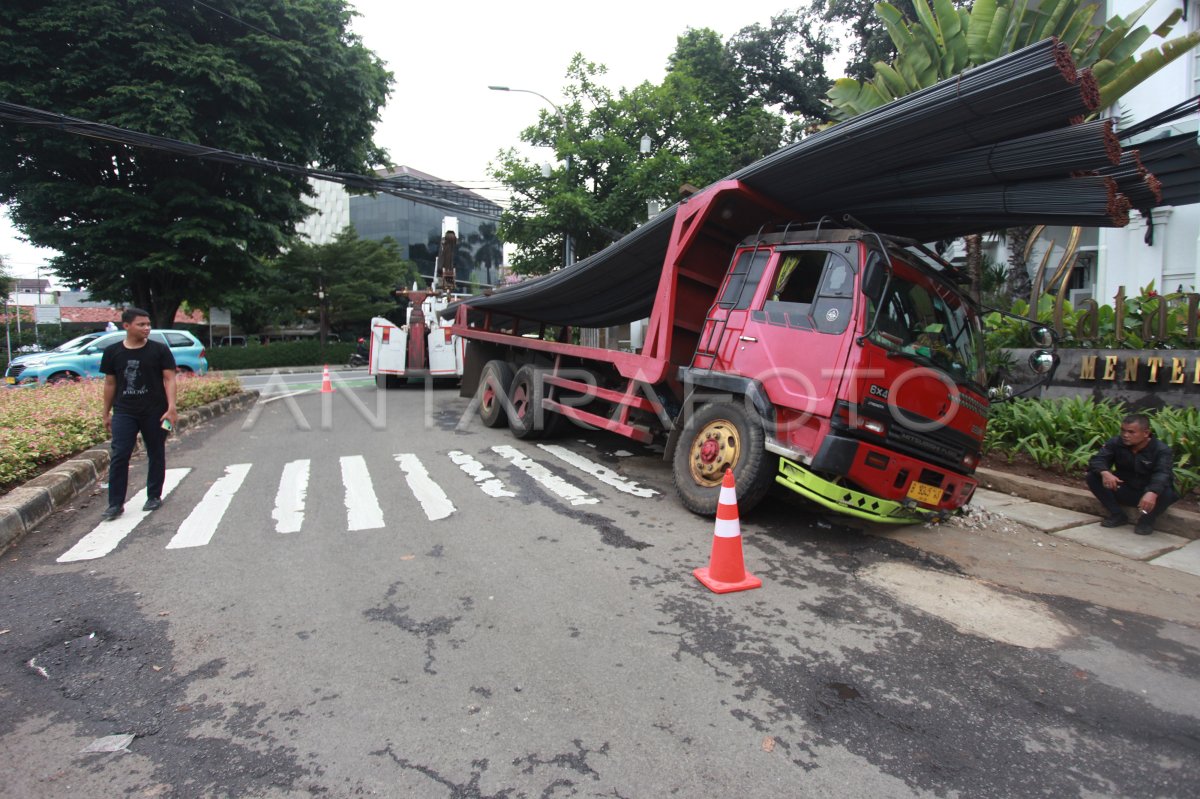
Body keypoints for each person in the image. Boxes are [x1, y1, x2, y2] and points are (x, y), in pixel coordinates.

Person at [99, 308, 178, 520]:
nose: (147, 328)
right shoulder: (113, 352)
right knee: (120, 454)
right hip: (124, 411)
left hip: (156, 411)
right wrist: (106, 413)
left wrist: (171, 408)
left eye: (148, 324)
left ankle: (154, 495)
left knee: (156, 451)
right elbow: (110, 383)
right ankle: (115, 504)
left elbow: (169, 379)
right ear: (126, 326)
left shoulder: (159, 350)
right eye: (141, 324)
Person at [1085, 413, 1178, 535]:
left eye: (1131, 432)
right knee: (1092, 476)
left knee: (1168, 493)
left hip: (1147, 495)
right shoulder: (1115, 443)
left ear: (1146, 433)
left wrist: (1152, 492)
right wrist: (1105, 473)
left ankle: (1146, 521)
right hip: (1123, 488)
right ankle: (1117, 515)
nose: (1125, 435)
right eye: (1123, 430)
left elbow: (1163, 473)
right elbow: (1098, 459)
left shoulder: (1161, 450)